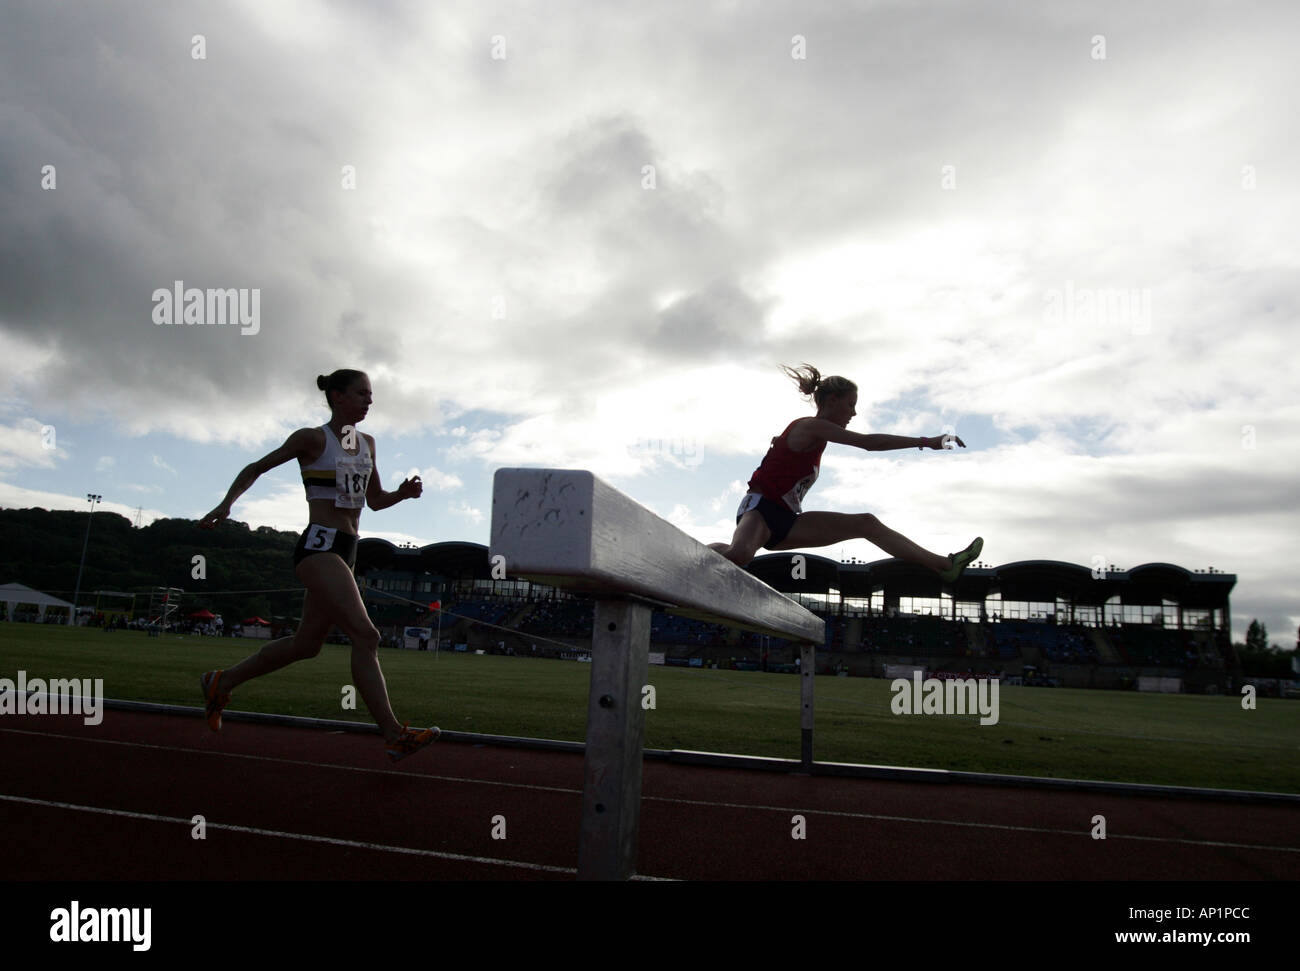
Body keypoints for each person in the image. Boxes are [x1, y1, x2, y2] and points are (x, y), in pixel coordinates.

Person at [197, 369, 438, 762]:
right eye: (362, 393)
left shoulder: (369, 444)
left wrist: (405, 495)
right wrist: (227, 503)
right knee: (367, 636)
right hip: (319, 547)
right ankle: (395, 734)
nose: (370, 401)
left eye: (371, 394)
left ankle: (221, 682)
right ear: (337, 396)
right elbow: (255, 467)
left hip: (348, 549)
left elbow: (374, 501)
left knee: (306, 645)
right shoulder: (312, 438)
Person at [711, 364, 983, 580]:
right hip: (760, 509)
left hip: (787, 518)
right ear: (832, 400)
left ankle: (946, 566)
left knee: (867, 523)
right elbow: (869, 443)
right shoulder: (811, 426)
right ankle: (683, 557)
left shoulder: (818, 437)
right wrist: (927, 442)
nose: (854, 412)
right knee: (740, 553)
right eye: (850, 404)